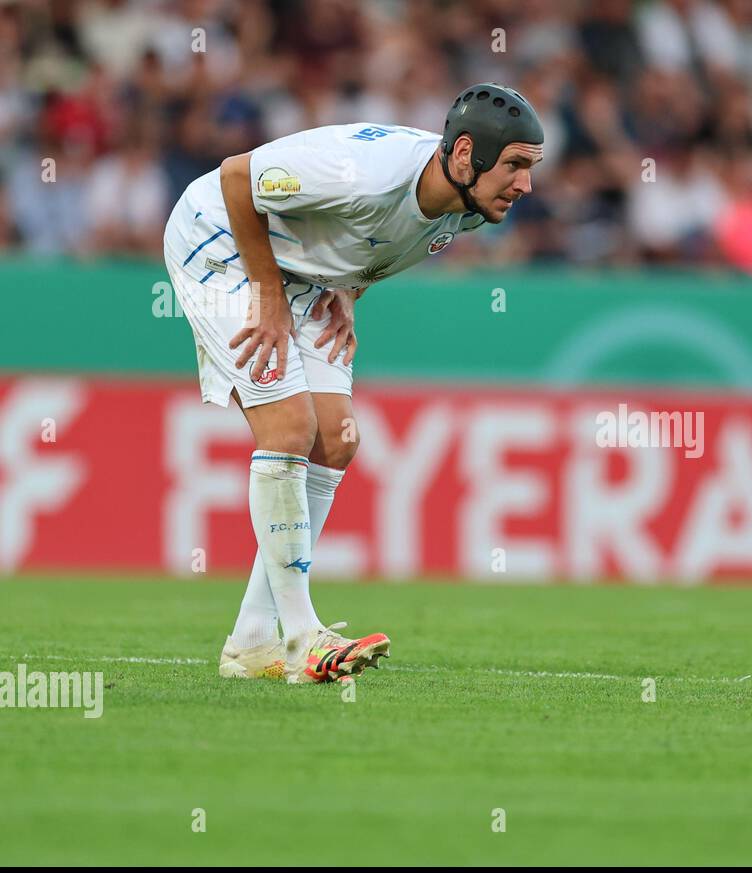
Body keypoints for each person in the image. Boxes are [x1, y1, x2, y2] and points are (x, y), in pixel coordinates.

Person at [161, 83, 545, 683]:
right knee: (289, 427)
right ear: (466, 153)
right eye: (517, 165)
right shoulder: (359, 172)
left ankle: (253, 641)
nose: (526, 185)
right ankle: (300, 640)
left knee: (335, 439)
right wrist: (267, 294)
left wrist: (348, 288)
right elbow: (238, 179)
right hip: (221, 241)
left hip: (300, 269)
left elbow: (379, 241)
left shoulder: (470, 208)